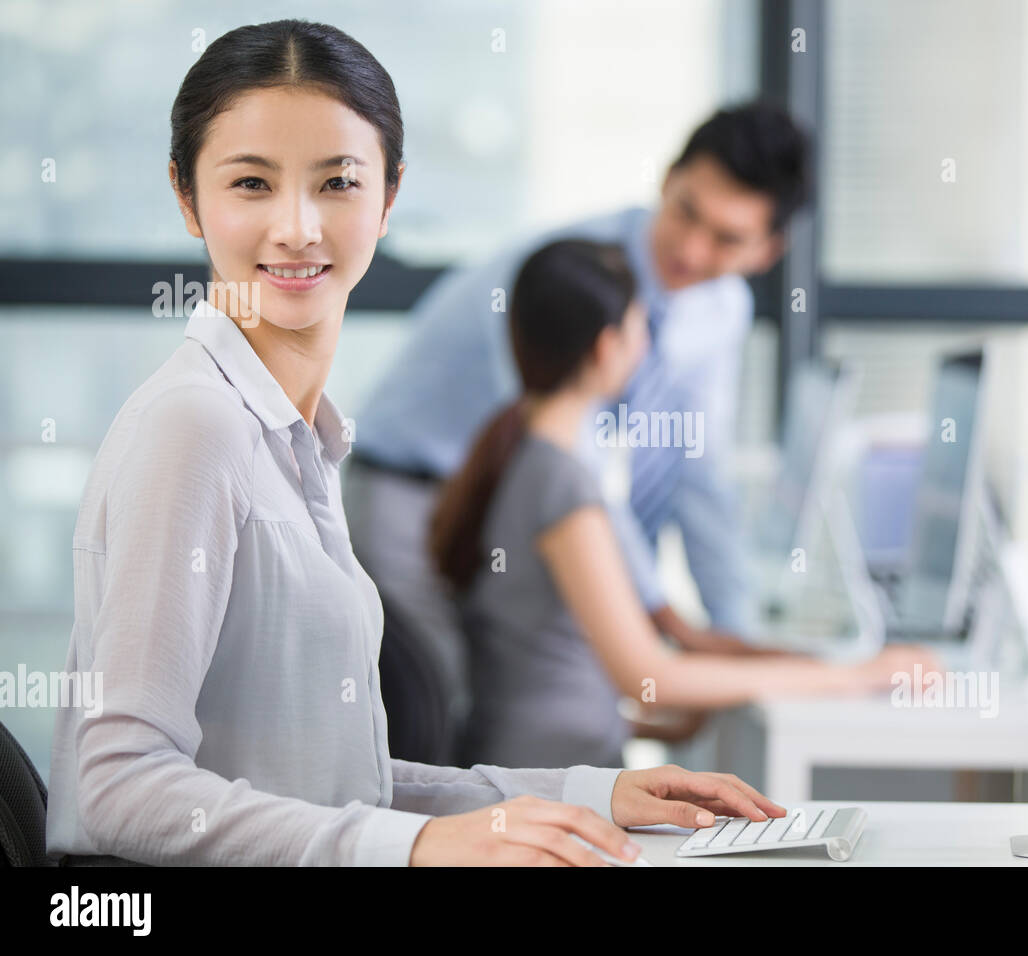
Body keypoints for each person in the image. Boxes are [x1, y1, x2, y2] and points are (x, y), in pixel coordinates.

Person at [44, 18, 785, 868]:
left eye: (337, 183)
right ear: (187, 198)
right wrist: (418, 846)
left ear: (389, 198)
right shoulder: (195, 426)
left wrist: (581, 794)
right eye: (251, 183)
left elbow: (328, 787)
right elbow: (117, 789)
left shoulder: (300, 445)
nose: (297, 227)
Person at [345, 104, 817, 711]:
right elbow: (571, 455)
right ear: (668, 179)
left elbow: (699, 478)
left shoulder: (720, 311)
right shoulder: (571, 269)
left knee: (536, 687)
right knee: (438, 698)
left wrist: (736, 638)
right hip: (410, 487)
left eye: (727, 239)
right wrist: (663, 613)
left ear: (767, 251)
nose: (693, 251)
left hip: (503, 502)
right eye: (687, 213)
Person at [432, 238, 942, 769]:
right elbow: (648, 677)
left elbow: (556, 668)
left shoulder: (522, 454)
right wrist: (856, 677)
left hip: (543, 766)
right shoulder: (561, 482)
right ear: (608, 347)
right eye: (638, 327)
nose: (644, 345)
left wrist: (683, 708)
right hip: (552, 785)